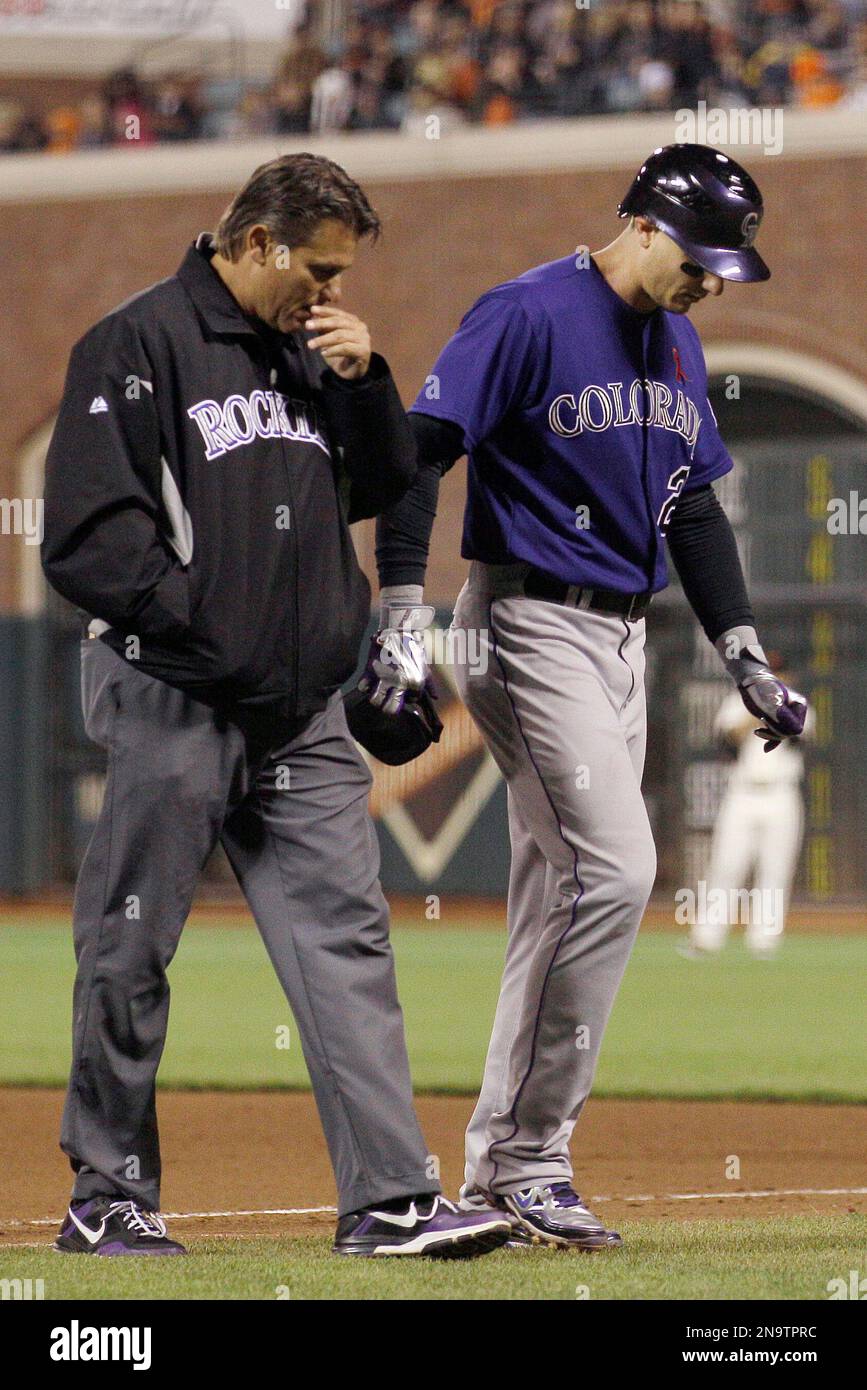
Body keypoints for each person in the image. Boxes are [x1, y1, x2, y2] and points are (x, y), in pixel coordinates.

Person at [41, 153, 510, 1261]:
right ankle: (106, 1194)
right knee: (133, 939)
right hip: (176, 692)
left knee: (345, 939)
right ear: (255, 241)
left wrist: (362, 382)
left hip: (302, 711)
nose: (330, 290)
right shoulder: (137, 343)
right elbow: (87, 539)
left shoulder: (317, 357)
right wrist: (209, 634)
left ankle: (390, 1199)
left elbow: (395, 484)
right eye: (318, 268)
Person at [356, 144, 808, 1249]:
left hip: (622, 636)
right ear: (645, 225)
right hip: (525, 618)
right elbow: (422, 456)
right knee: (619, 865)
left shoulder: (680, 340)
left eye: (724, 267)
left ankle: (510, 1160)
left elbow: (692, 510)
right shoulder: (526, 312)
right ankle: (526, 1160)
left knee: (560, 894)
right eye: (698, 260)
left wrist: (745, 650)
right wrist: (402, 614)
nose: (709, 281)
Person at [686, 658, 813, 959]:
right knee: (726, 864)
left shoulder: (797, 702)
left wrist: (774, 710)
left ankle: (764, 941)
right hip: (741, 794)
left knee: (776, 867)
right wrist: (758, 710)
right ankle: (707, 937)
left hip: (782, 794)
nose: (776, 677)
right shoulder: (738, 702)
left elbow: (800, 734)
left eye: (780, 671)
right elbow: (727, 737)